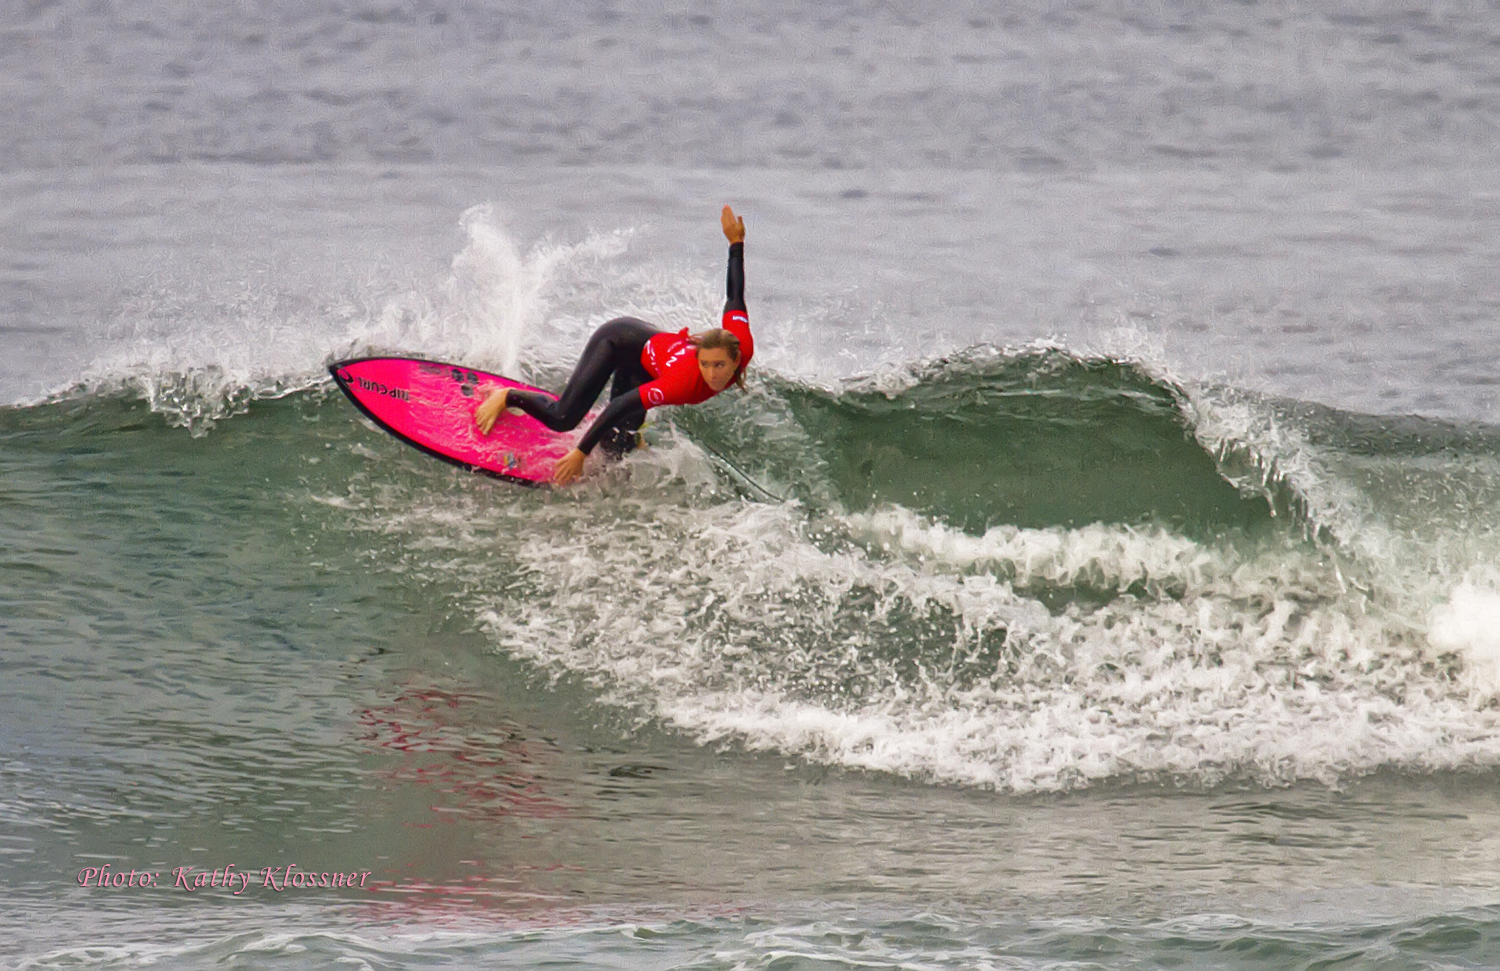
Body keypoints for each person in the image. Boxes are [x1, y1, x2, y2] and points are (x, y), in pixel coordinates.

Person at [473, 205, 754, 485]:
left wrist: (736, 244)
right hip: (618, 340)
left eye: (719, 365)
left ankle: (626, 438)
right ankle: (507, 395)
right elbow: (620, 404)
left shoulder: (741, 344)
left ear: (735, 359)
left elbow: (735, 299)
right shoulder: (683, 382)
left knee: (616, 451)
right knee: (562, 419)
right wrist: (579, 453)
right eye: (705, 364)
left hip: (646, 363)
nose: (712, 374)